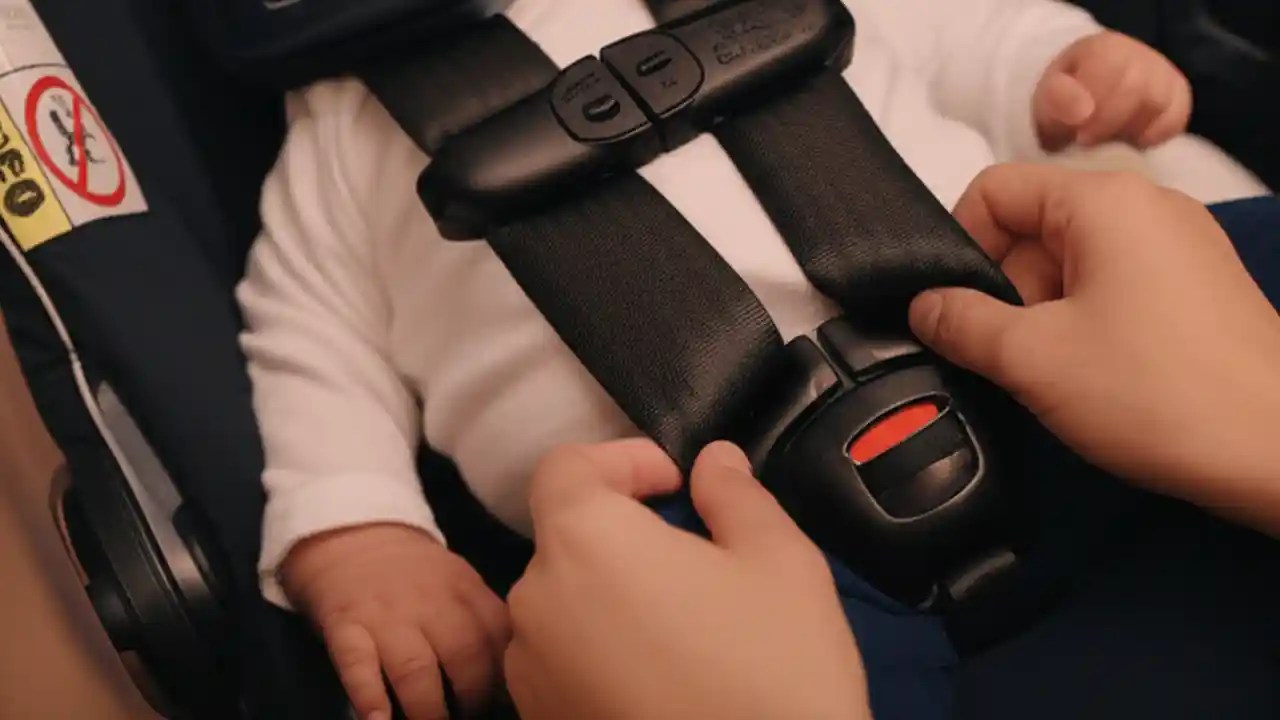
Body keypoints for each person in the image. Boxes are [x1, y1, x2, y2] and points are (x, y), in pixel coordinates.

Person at [235, 1, 1272, 718]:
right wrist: (360, 537)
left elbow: (956, 26)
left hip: (1059, 341)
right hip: (719, 540)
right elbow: (306, 338)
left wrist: (1056, 68)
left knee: (1231, 246)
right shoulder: (334, 138)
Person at [503, 163, 1280, 720]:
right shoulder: (377, 137)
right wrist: (381, 538)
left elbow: (960, 28)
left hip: (722, 573)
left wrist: (1051, 58)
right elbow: (366, 364)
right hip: (720, 515)